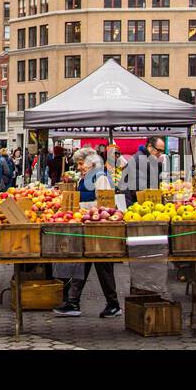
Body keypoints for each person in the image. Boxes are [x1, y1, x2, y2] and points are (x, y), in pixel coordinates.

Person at [54, 148, 121, 319]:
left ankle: (113, 305)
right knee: (83, 263)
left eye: (81, 163)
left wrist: (82, 207)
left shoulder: (101, 178)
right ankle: (73, 302)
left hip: (100, 229)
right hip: (88, 227)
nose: (79, 167)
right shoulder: (87, 178)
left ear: (92, 163)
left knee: (103, 266)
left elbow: (105, 204)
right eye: (78, 164)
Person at [120, 137, 165, 204]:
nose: (160, 153)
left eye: (162, 151)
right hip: (136, 205)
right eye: (158, 150)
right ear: (149, 146)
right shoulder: (140, 161)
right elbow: (139, 190)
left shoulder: (148, 159)